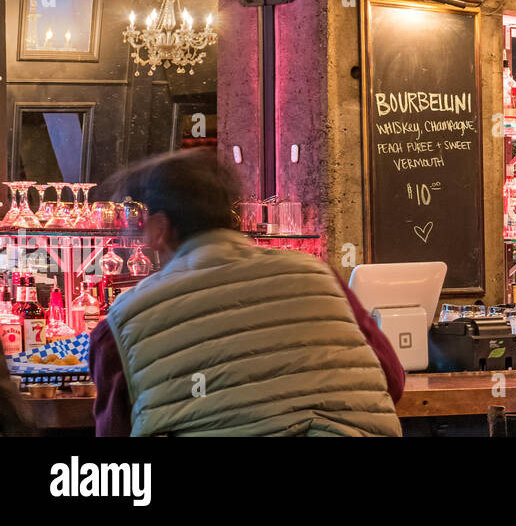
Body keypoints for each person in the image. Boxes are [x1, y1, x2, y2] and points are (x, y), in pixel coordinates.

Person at [89, 149, 404, 436]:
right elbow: (391, 378)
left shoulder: (124, 324)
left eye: (139, 225)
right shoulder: (320, 277)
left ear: (159, 228)